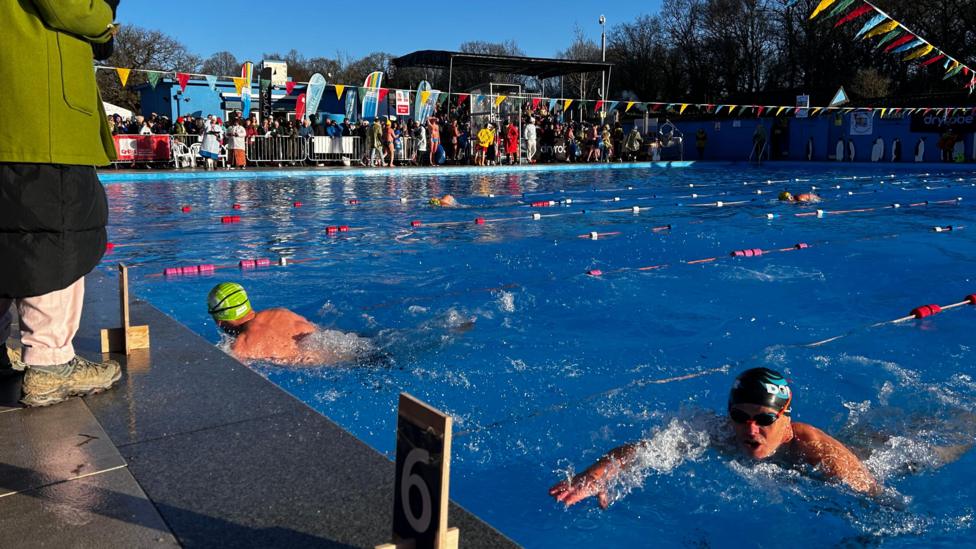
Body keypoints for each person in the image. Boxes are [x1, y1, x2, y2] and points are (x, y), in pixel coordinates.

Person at [1, 0, 122, 407]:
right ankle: (51, 362)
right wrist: (105, 16)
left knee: (8, 236)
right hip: (41, 110)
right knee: (56, 233)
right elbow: (70, 6)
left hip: (12, 107)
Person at [549, 368, 880, 508]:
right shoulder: (719, 432)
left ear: (785, 416)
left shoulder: (819, 452)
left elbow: (877, 499)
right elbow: (646, 450)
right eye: (739, 417)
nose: (750, 429)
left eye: (764, 419)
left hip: (873, 456)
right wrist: (596, 475)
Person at [207, 282, 370, 365]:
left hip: (339, 363)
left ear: (220, 320)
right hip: (352, 344)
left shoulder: (241, 347)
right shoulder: (280, 312)